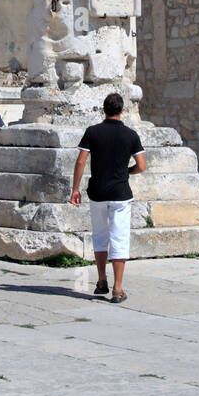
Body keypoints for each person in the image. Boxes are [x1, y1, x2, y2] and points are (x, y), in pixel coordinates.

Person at [70, 93, 146, 304]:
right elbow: (141, 166)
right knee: (119, 238)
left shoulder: (92, 132)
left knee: (100, 236)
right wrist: (126, 173)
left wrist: (75, 189)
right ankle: (118, 288)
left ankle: (101, 280)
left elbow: (80, 161)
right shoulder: (131, 135)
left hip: (97, 192)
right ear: (122, 110)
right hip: (120, 193)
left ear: (103, 109)